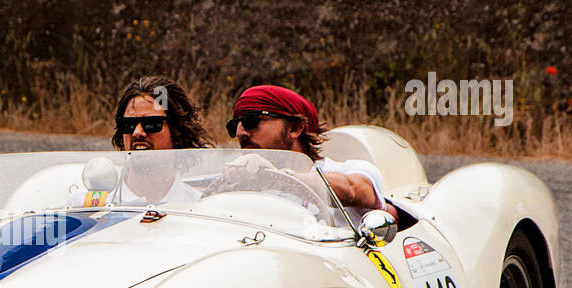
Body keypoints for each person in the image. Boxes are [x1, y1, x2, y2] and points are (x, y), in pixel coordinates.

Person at [227, 84, 398, 224]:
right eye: (235, 124)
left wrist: (278, 177)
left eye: (251, 120)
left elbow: (353, 190)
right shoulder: (240, 186)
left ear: (295, 128)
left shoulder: (351, 169)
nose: (240, 132)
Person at [101, 75, 212, 204]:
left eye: (151, 123)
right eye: (128, 124)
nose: (137, 133)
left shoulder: (197, 206)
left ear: (177, 132)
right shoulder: (89, 205)